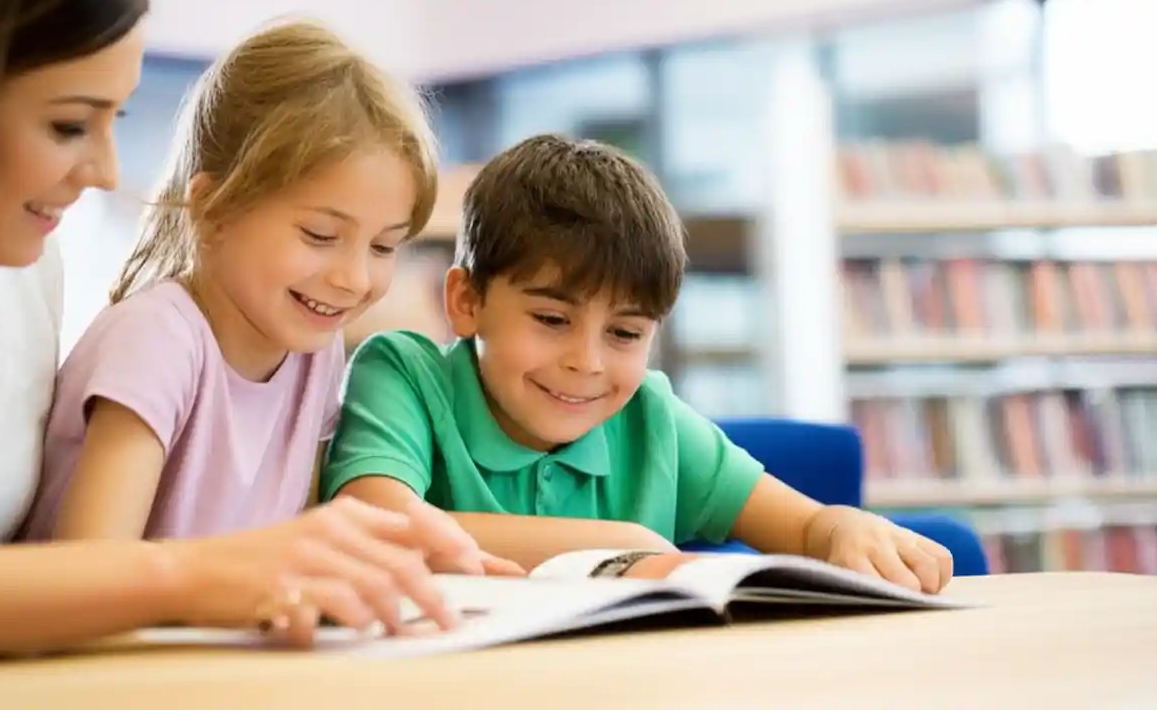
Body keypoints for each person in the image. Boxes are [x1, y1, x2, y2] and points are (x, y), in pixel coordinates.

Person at [0, 0, 482, 668]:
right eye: (68, 124)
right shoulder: (157, 339)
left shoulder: (26, 273)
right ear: (212, 208)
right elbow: (94, 569)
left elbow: (292, 544)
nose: (353, 278)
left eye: (384, 246)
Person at [321, 134, 955, 593]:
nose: (586, 362)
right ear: (465, 301)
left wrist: (840, 528)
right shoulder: (402, 372)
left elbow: (809, 524)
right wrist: (630, 546)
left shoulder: (652, 418)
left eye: (624, 333)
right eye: (550, 320)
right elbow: (379, 524)